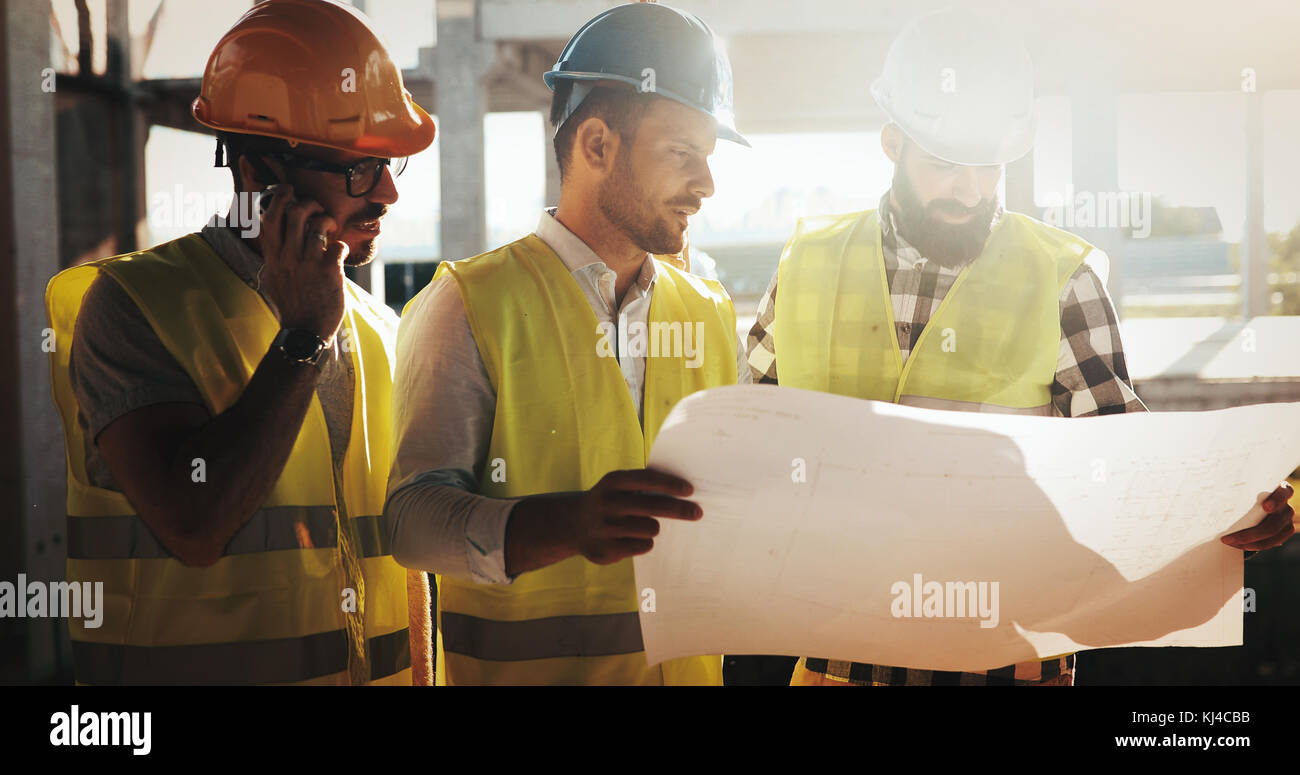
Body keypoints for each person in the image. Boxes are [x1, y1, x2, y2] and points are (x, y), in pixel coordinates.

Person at [745, 6, 1296, 686]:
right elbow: (746, 459)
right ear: (892, 143)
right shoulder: (805, 268)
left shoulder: (1062, 278)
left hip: (1006, 667)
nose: (970, 188)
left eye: (990, 164)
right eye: (948, 162)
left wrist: (1235, 506)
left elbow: (1127, 466)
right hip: (838, 665)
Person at [44, 0, 436, 685]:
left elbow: (405, 577)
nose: (388, 193)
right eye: (359, 168)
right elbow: (195, 522)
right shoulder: (135, 308)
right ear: (259, 177)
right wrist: (303, 336)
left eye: (393, 164)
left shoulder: (383, 332)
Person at [385, 1, 751, 685]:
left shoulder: (707, 310)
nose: (706, 185)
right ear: (596, 145)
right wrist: (567, 524)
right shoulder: (466, 303)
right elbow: (410, 521)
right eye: (684, 154)